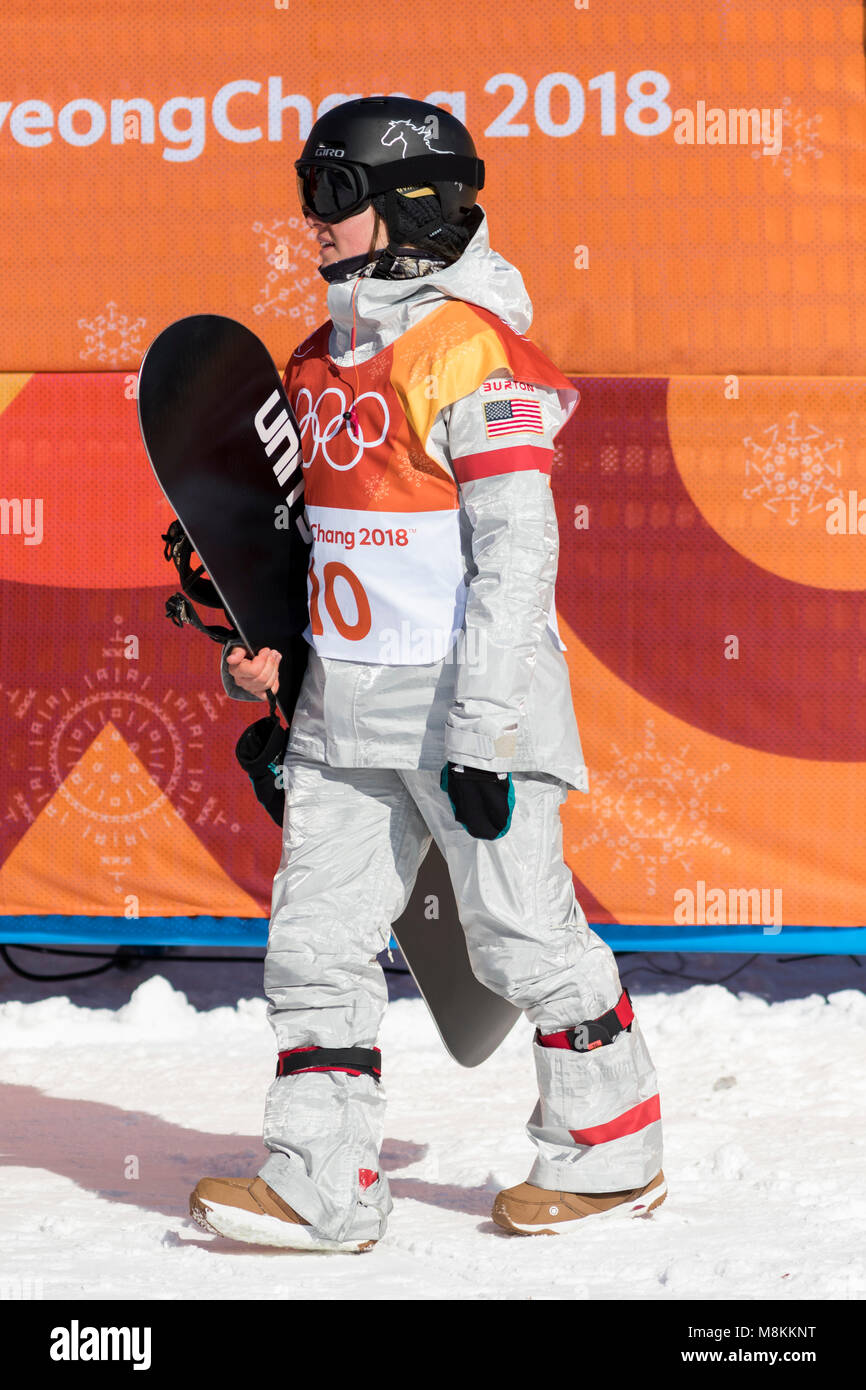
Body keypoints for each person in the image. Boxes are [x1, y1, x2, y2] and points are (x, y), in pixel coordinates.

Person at [189, 96, 665, 1252]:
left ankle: (609, 1156)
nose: (311, 221)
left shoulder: (469, 349)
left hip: (466, 709)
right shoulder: (314, 358)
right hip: (346, 714)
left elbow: (516, 561)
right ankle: (322, 1181)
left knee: (517, 937)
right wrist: (271, 651)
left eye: (332, 196)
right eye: (310, 193)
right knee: (314, 941)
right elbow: (321, 547)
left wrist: (487, 737)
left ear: (409, 206)